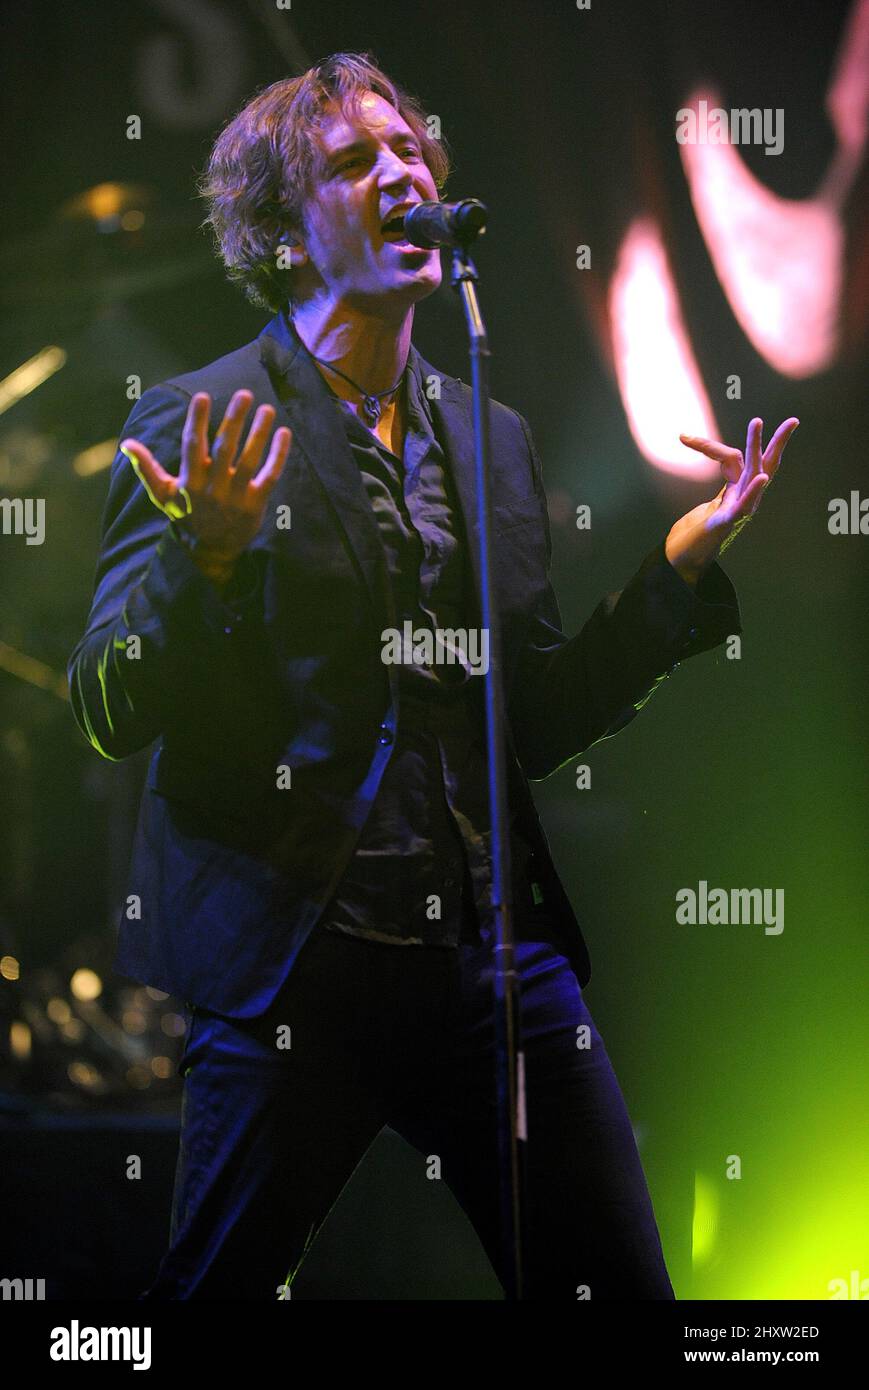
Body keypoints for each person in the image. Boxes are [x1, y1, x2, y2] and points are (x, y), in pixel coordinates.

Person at [67, 51, 798, 1300]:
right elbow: (103, 705)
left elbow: (537, 711)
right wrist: (211, 563)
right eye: (354, 164)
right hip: (296, 960)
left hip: (491, 960)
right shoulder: (201, 419)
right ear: (283, 235)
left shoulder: (487, 434)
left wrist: (670, 580)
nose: (400, 174)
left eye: (408, 151)